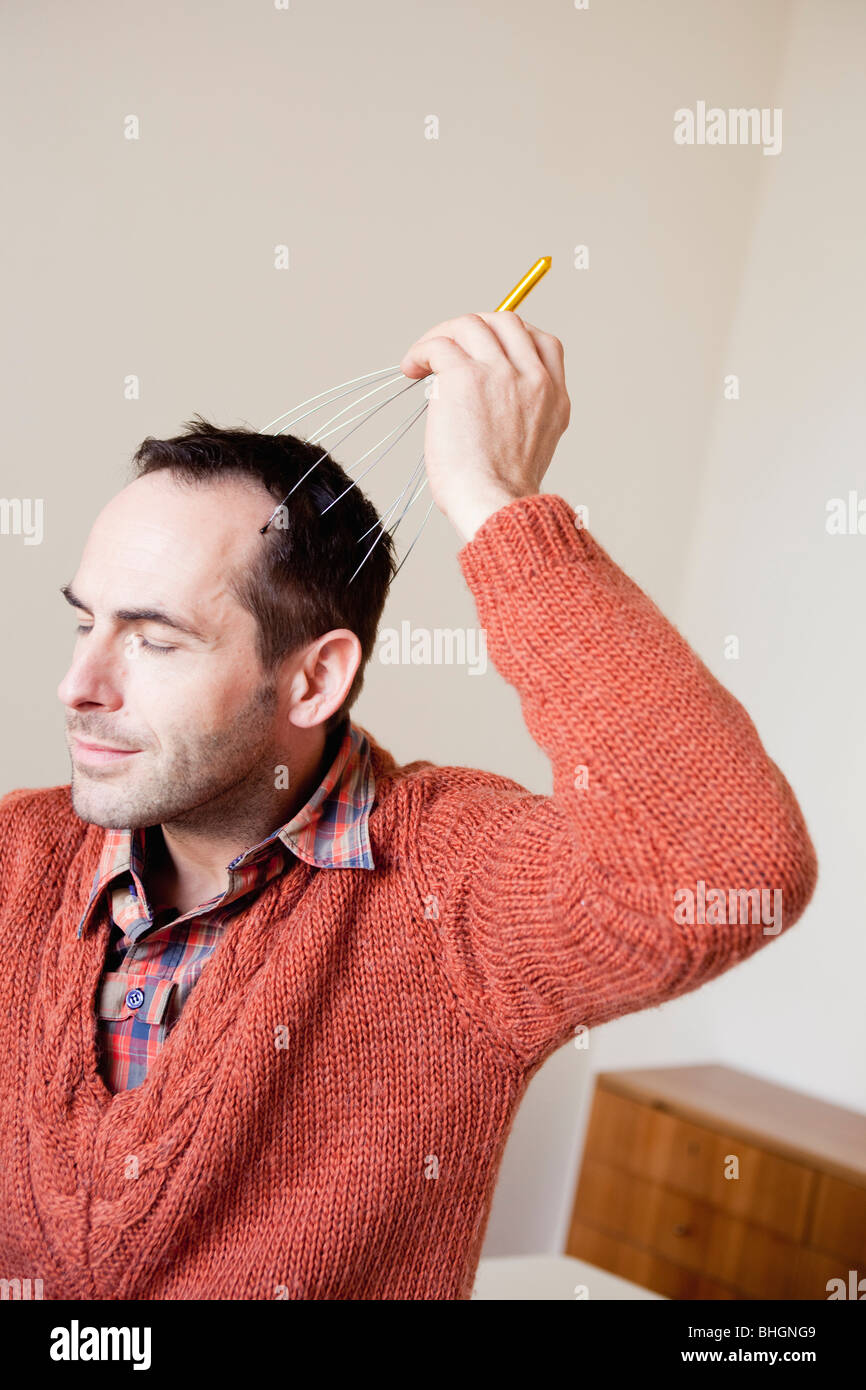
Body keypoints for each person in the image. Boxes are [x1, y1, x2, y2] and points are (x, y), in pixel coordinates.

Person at [0, 311, 817, 1300]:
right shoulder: (18, 852)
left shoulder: (448, 886)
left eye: (153, 638)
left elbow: (726, 866)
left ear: (313, 682)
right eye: (86, 621)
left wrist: (495, 502)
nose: (78, 683)